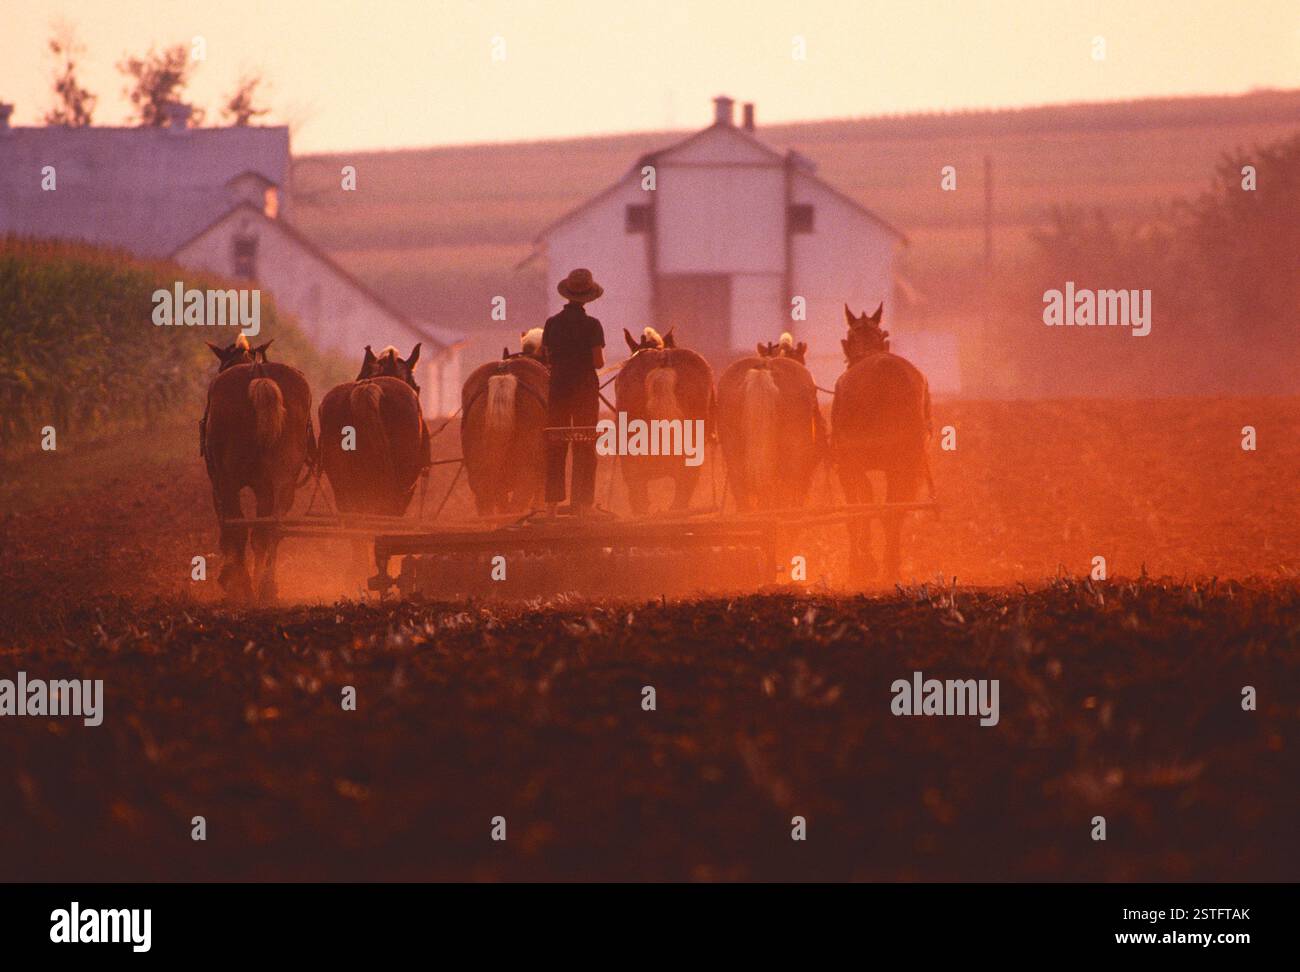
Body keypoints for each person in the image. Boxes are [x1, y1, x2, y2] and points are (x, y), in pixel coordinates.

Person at [541, 268, 606, 514]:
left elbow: (548, 357)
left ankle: (551, 504)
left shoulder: (552, 323)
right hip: (584, 391)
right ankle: (582, 503)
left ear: (567, 294)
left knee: (556, 443)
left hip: (558, 389)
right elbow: (598, 362)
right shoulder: (593, 325)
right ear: (589, 296)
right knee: (585, 444)